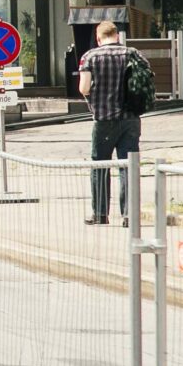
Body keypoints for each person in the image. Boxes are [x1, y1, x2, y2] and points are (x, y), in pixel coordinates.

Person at [77, 20, 148, 224]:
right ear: (117, 36)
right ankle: (129, 215)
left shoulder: (90, 57)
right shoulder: (133, 54)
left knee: (100, 164)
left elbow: (84, 88)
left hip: (103, 119)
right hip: (131, 119)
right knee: (128, 166)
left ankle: (100, 214)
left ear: (98, 38)